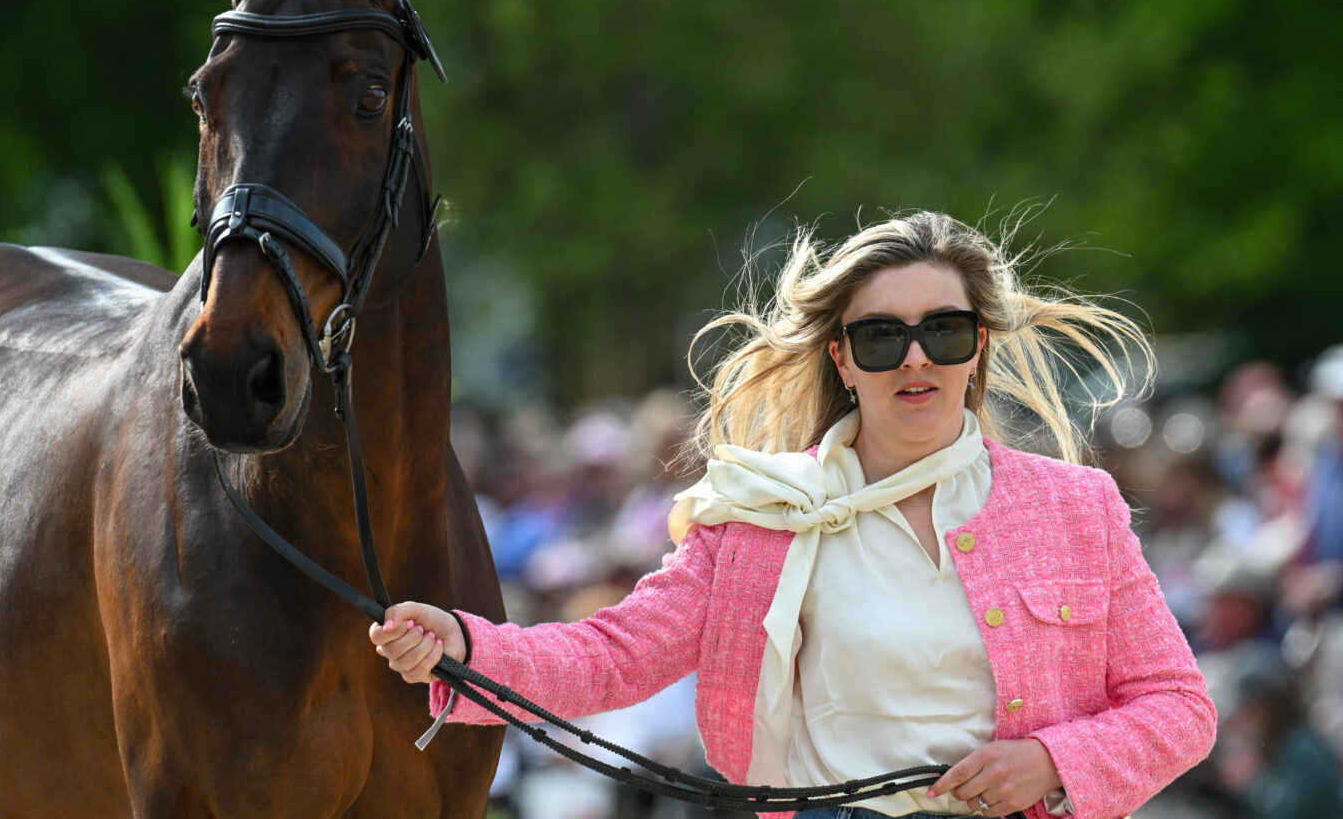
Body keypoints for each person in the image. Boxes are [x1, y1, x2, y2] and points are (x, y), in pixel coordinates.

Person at [369, 211, 1216, 819]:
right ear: (843, 359)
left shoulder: (1077, 505)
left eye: (945, 332)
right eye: (882, 337)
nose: (915, 358)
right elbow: (612, 658)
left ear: (980, 346)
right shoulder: (759, 515)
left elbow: (1178, 706)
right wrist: (461, 649)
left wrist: (1052, 764)